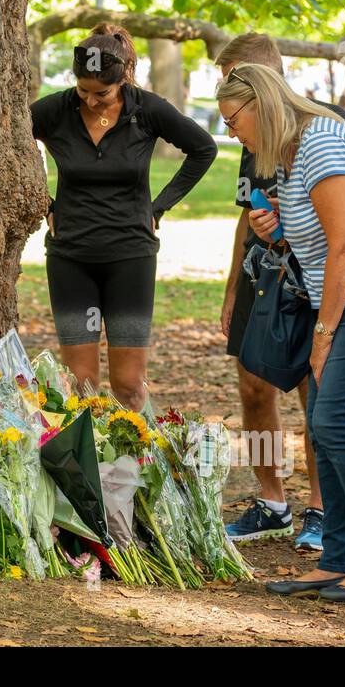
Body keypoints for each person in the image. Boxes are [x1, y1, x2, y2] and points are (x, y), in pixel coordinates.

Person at [218, 63, 345, 602]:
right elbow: (314, 237)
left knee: (336, 419)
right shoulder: (287, 155)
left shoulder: (322, 143)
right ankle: (337, 558)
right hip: (341, 294)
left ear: (260, 106)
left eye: (232, 120)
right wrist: (278, 232)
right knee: (322, 420)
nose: (230, 133)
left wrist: (324, 331)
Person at [30, 23, 217, 410]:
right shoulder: (55, 110)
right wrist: (43, 203)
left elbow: (203, 148)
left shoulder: (147, 110)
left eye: (102, 93)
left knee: (128, 384)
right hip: (70, 258)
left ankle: (131, 467)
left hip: (130, 257)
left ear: (123, 79)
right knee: (80, 385)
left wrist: (159, 206)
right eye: (83, 91)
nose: (91, 101)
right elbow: (6, 143)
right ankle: (89, 468)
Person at [216, 34, 345, 553]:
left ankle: (321, 508)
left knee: (313, 394)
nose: (224, 87)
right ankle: (271, 502)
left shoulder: (324, 123)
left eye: (233, 75)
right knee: (253, 387)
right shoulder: (246, 130)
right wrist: (232, 289)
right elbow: (245, 216)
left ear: (265, 79)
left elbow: (344, 220)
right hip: (261, 275)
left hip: (313, 279)